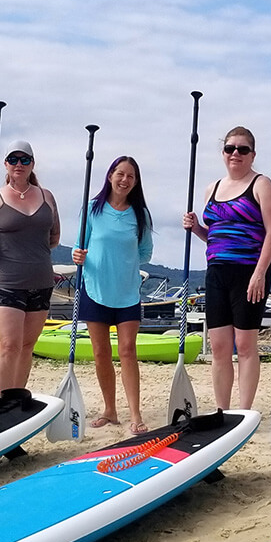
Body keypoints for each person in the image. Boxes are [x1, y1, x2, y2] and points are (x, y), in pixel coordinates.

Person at [183, 126, 271, 410]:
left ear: (252, 154)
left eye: (242, 149)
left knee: (246, 344)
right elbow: (216, 235)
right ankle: (222, 410)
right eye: (230, 148)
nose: (235, 153)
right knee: (219, 347)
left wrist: (259, 273)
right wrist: (197, 229)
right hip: (216, 272)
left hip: (249, 272)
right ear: (223, 153)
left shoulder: (261, 184)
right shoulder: (211, 189)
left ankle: (244, 410)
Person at [72, 156, 154, 434]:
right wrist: (78, 256)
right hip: (95, 288)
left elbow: (145, 252)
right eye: (120, 174)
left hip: (127, 292)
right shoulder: (92, 209)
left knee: (128, 351)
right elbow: (79, 246)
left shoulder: (140, 215)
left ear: (136, 182)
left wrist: (123, 264)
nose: (124, 180)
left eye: (131, 176)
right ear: (110, 176)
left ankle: (135, 414)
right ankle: (110, 410)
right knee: (100, 352)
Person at [0, 140, 61, 394]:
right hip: (8, 281)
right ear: (5, 164)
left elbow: (55, 237)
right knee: (9, 346)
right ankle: (1, 401)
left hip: (41, 280)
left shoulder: (47, 196)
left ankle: (16, 399)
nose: (19, 164)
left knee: (27, 347)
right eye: (13, 159)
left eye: (24, 159)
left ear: (32, 164)